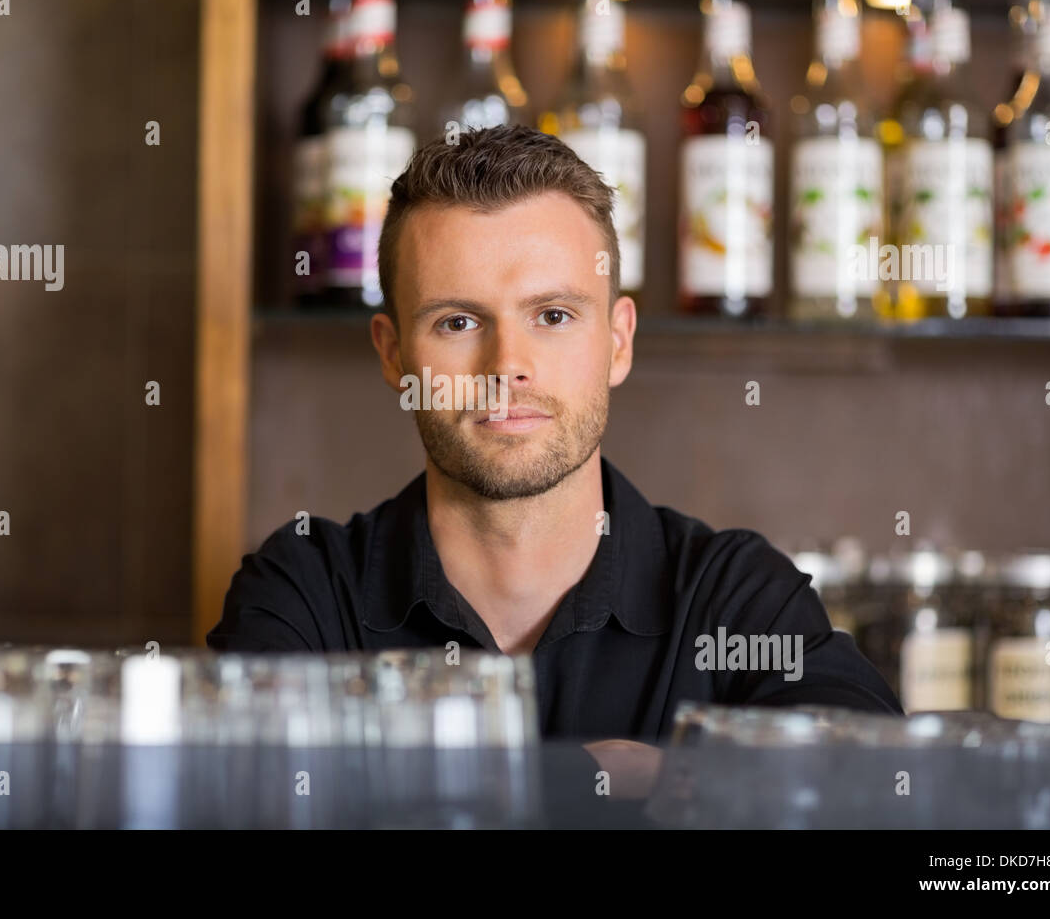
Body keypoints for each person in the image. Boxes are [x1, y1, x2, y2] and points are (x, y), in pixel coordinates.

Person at [208, 125, 901, 797]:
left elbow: (875, 787)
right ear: (393, 354)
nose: (507, 366)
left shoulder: (734, 600)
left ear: (618, 341)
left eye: (554, 316)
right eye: (457, 322)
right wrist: (603, 779)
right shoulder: (304, 595)